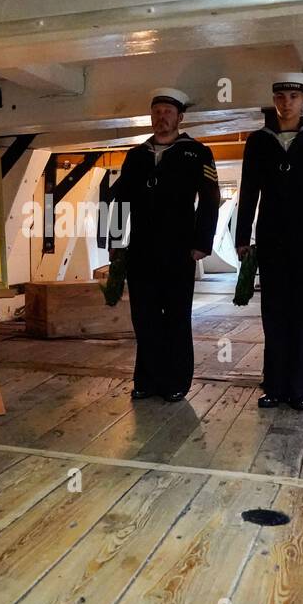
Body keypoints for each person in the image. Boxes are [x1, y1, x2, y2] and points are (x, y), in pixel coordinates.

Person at [235, 72, 303, 410]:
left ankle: (300, 389)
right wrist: (242, 237)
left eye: (293, 97)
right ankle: (275, 386)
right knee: (274, 314)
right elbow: (248, 192)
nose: (286, 103)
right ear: (275, 100)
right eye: (280, 97)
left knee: (302, 314)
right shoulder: (258, 141)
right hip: (270, 238)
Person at [109, 87, 221, 401]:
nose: (162, 117)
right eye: (157, 112)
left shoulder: (197, 153)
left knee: (175, 316)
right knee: (143, 318)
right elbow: (119, 201)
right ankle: (147, 380)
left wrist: (202, 242)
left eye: (168, 112)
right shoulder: (135, 155)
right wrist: (116, 241)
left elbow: (211, 200)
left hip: (179, 249)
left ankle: (176, 382)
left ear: (180, 117)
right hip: (141, 250)